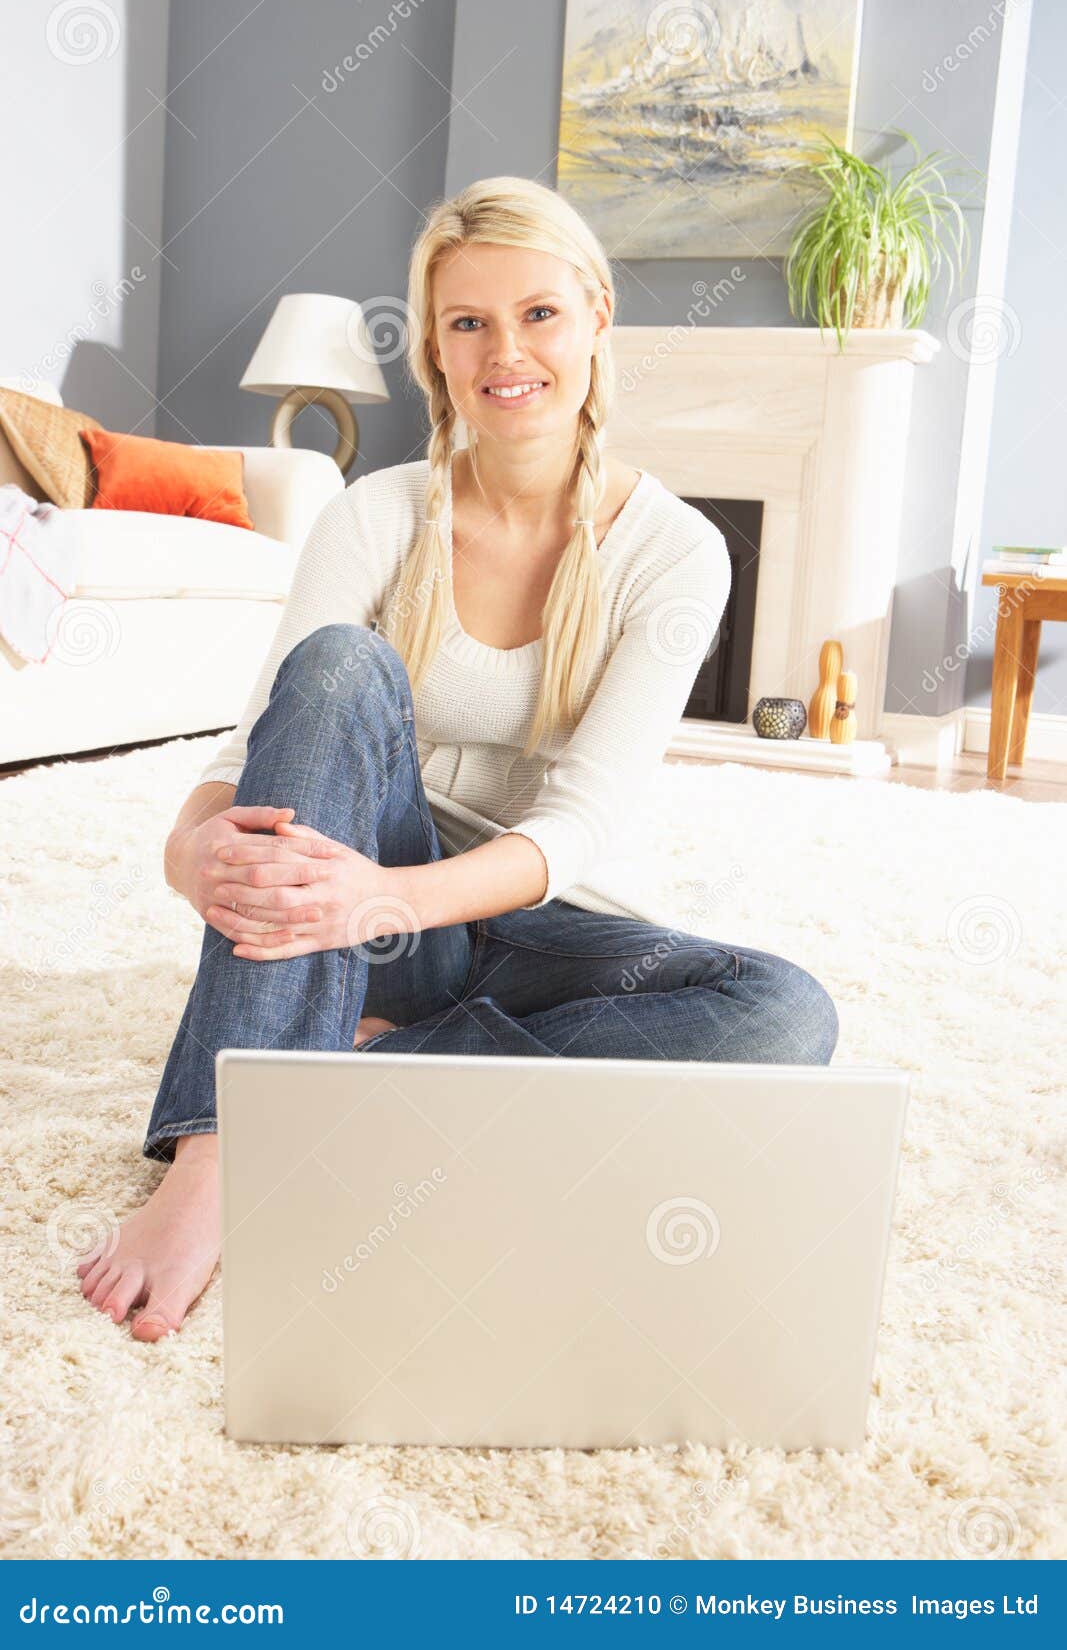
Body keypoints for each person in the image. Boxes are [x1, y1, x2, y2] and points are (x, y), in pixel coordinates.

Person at [76, 176, 839, 1341]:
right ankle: (219, 1153)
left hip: (525, 919)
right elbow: (253, 749)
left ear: (594, 314)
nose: (506, 351)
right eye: (466, 322)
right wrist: (192, 855)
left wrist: (392, 897)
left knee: (783, 1015)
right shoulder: (376, 513)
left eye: (537, 313)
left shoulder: (677, 552)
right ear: (433, 350)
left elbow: (580, 826)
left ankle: (371, 1065)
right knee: (338, 663)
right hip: (365, 901)